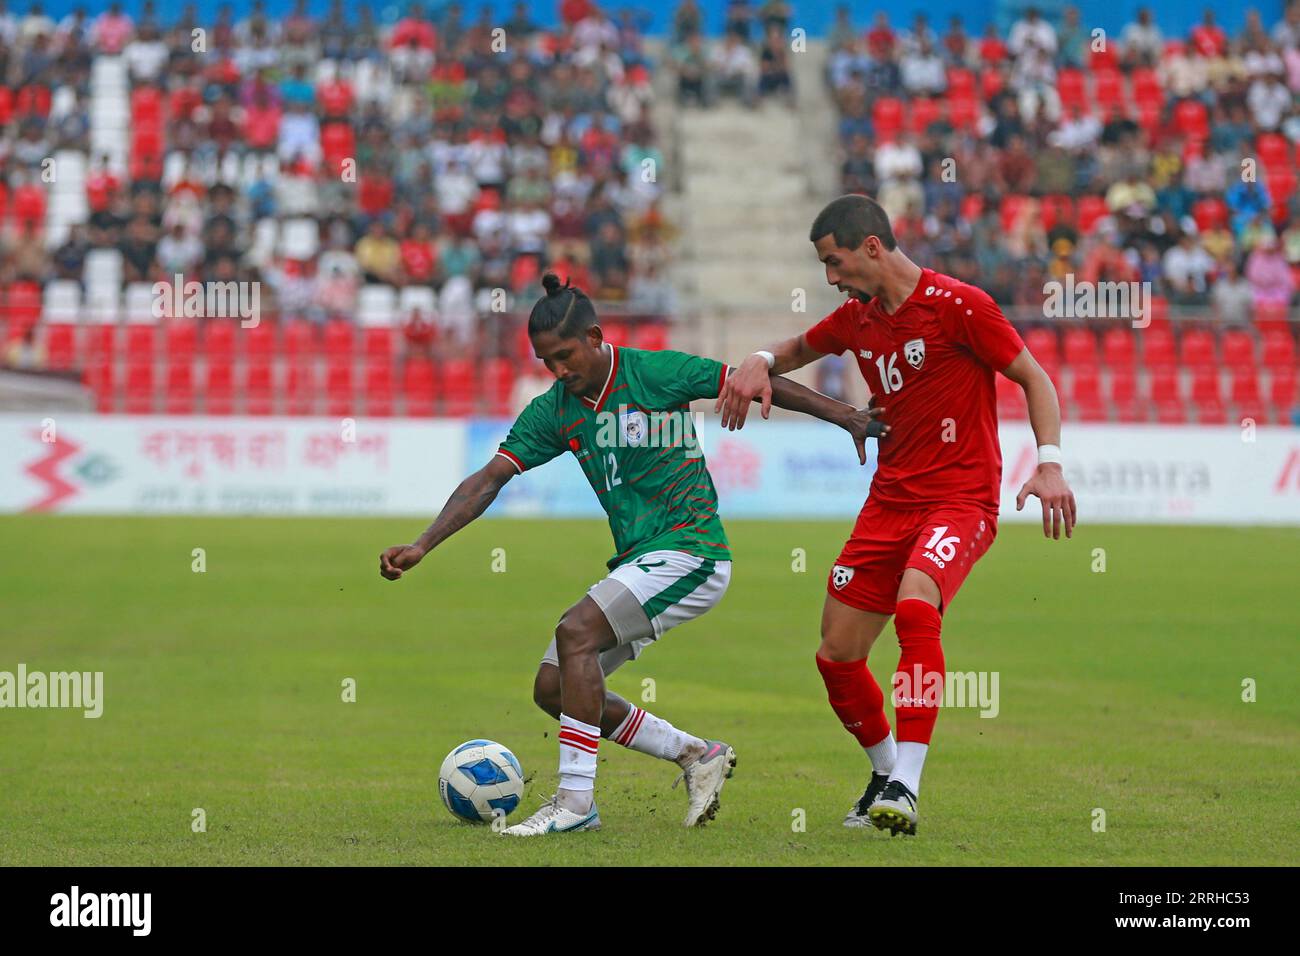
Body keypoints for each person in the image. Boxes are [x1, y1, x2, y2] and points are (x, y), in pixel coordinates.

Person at [380, 273, 889, 837]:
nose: (559, 371)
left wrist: (847, 416)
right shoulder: (556, 410)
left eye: (566, 355)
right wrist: (423, 543)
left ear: (596, 337)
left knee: (576, 632)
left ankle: (575, 804)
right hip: (641, 561)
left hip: (691, 549)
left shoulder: (653, 374)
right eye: (547, 362)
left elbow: (748, 381)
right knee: (554, 688)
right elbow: (490, 478)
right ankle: (696, 754)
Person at [715, 195, 1076, 836]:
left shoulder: (960, 306)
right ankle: (884, 772)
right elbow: (798, 346)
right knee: (837, 656)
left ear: (872, 248)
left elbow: (1035, 378)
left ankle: (908, 783)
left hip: (960, 499)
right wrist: (760, 361)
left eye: (835, 261)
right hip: (888, 504)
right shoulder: (859, 318)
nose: (831, 277)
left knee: (916, 606)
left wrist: (1048, 462)